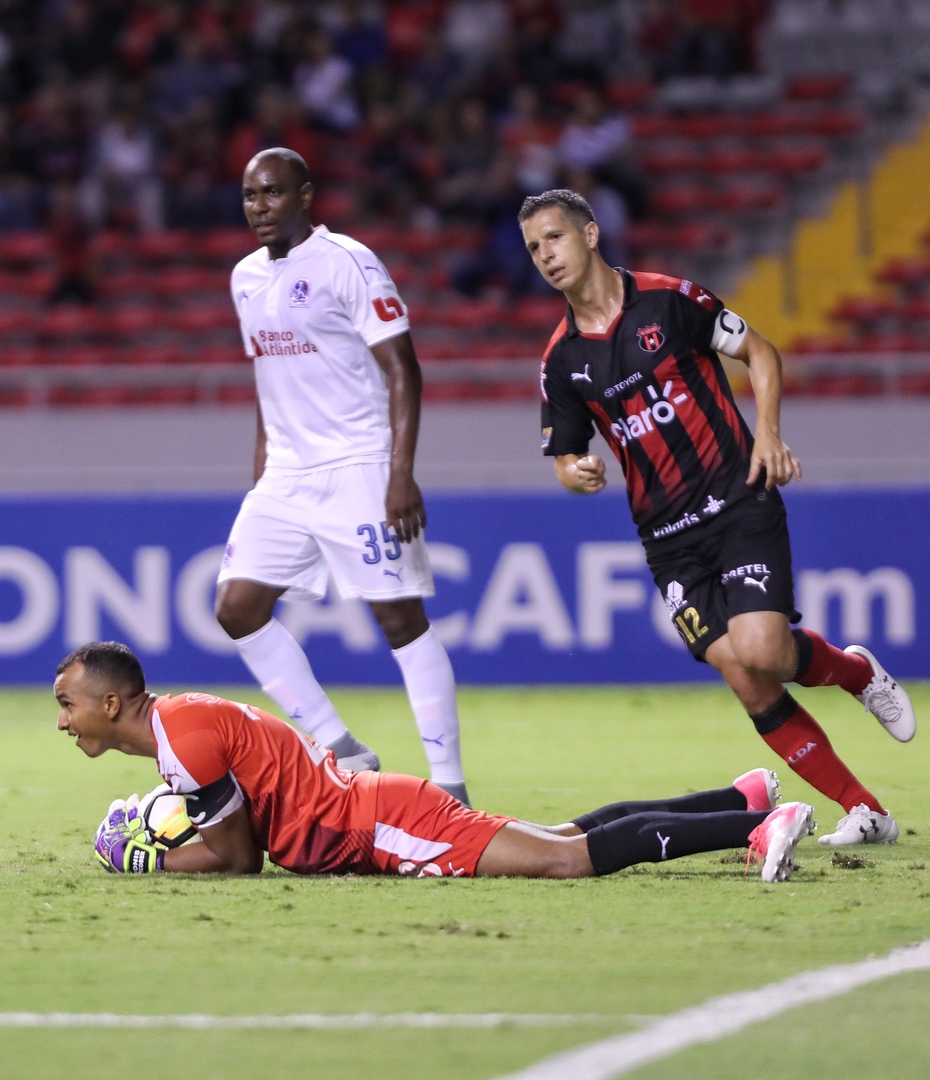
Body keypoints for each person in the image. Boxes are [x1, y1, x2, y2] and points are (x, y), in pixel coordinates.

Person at [522, 188, 916, 848]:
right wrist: (573, 473)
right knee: (742, 673)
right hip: (666, 539)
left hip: (736, 496)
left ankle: (856, 674)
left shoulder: (670, 301)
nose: (545, 255)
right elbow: (564, 453)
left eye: (554, 238)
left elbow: (760, 352)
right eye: (534, 248)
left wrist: (767, 432)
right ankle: (864, 809)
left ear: (589, 235)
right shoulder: (560, 360)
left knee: (762, 648)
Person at [53, 641, 815, 884]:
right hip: (378, 804)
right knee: (551, 834)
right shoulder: (183, 722)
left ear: (112, 703)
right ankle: (737, 798)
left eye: (68, 704)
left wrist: (147, 858)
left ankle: (755, 828)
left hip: (379, 826)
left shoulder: (181, 742)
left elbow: (238, 858)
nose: (63, 721)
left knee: (566, 861)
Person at [216, 148, 470, 805]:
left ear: (304, 195)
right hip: (286, 474)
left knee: (398, 620)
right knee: (236, 609)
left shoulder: (347, 263)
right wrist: (260, 478)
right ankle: (341, 747)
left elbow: (403, 370)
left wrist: (399, 475)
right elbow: (266, 384)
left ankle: (449, 787)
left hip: (359, 463)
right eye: (249, 196)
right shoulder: (244, 277)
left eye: (271, 193)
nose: (259, 207)